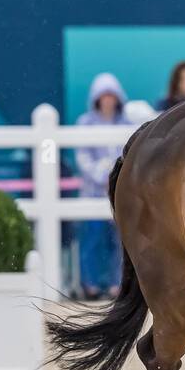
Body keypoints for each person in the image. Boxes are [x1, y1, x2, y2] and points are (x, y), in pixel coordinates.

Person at [75, 73, 133, 299]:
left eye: (111, 95)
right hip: (93, 191)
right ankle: (89, 284)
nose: (108, 100)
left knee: (119, 243)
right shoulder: (85, 123)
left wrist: (116, 172)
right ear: (96, 98)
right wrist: (102, 172)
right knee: (92, 241)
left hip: (119, 192)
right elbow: (82, 158)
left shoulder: (127, 123)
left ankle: (116, 284)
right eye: (103, 95)